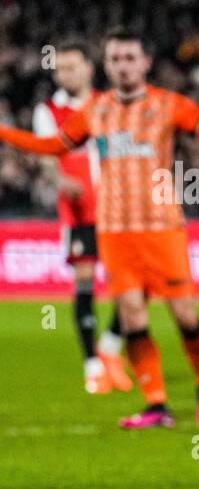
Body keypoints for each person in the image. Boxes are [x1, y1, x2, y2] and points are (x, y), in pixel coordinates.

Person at [0, 29, 199, 428]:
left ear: (146, 62)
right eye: (115, 58)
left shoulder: (168, 105)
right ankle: (156, 405)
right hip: (114, 231)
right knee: (132, 317)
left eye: (130, 58)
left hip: (162, 227)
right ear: (107, 65)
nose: (122, 65)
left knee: (184, 315)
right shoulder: (96, 110)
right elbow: (53, 146)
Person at [31, 40, 131, 395]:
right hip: (79, 213)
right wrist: (59, 179)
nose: (64, 74)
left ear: (90, 68)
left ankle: (110, 347)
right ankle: (93, 365)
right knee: (85, 283)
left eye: (71, 66)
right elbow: (46, 157)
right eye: (59, 68)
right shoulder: (49, 112)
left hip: (117, 210)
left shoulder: (109, 106)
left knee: (135, 286)